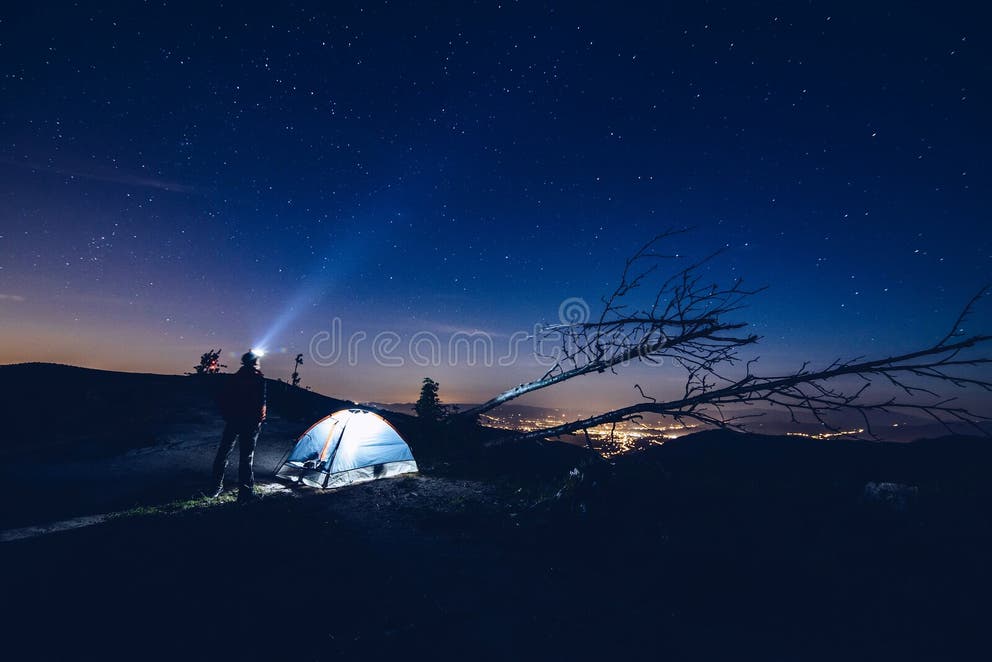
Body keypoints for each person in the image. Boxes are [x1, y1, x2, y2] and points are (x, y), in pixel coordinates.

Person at [210, 350, 267, 502]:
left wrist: (227, 415)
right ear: (254, 362)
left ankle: (215, 487)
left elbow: (223, 397)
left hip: (233, 420)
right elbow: (261, 403)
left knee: (223, 453)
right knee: (246, 458)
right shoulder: (258, 380)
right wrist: (259, 421)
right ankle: (245, 493)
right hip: (249, 423)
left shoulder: (235, 378)